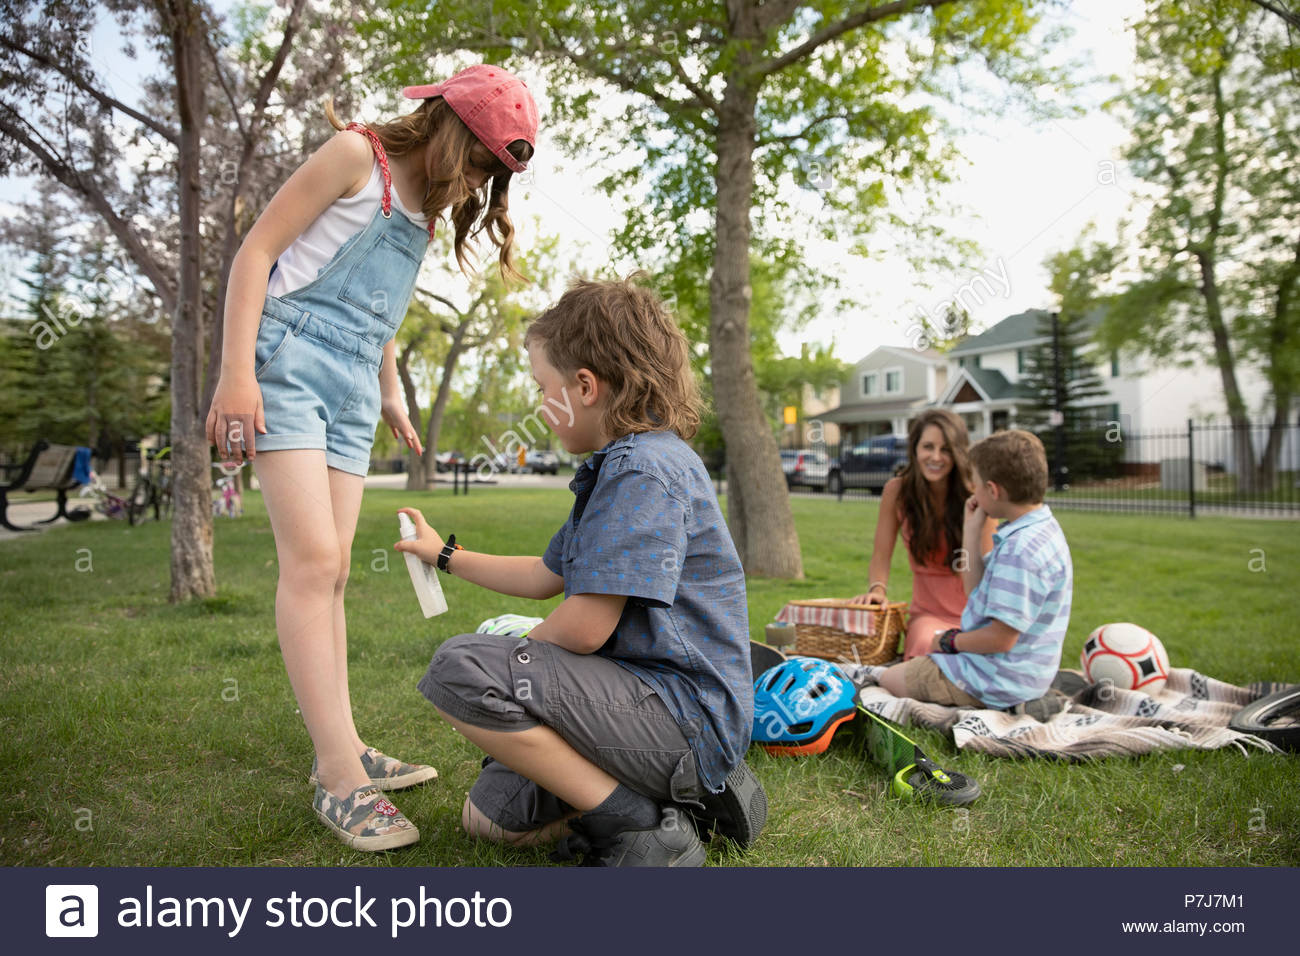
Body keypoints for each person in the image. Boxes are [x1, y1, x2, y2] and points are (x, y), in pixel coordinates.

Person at [204, 65, 539, 851]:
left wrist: (391, 390)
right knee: (312, 563)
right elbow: (256, 253)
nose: (481, 184)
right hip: (285, 360)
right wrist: (235, 374)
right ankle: (337, 777)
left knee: (338, 569)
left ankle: (346, 744)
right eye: (483, 163)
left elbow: (381, 313)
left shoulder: (422, 212)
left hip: (355, 381)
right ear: (454, 132)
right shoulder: (358, 156)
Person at [396, 276, 763, 867]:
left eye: (545, 388)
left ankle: (642, 827)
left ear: (585, 388)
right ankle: (676, 804)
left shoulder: (645, 472)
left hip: (681, 714)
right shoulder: (617, 469)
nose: (541, 406)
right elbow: (546, 576)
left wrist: (516, 675)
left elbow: (584, 627)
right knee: (490, 821)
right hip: (638, 703)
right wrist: (445, 555)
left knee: (459, 668)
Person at [877, 429, 1074, 713]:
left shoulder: (1019, 551)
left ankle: (1010, 706)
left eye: (977, 484)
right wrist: (971, 531)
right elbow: (975, 590)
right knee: (914, 667)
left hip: (993, 678)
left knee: (888, 679)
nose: (974, 491)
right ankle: (1021, 702)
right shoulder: (1040, 530)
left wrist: (947, 641)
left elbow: (1000, 639)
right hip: (1023, 675)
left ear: (993, 490)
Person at [850, 410, 995, 659]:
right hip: (927, 613)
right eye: (928, 446)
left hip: (973, 610)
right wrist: (877, 590)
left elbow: (987, 565)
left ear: (958, 452)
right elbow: (881, 555)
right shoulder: (897, 492)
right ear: (915, 449)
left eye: (946, 449)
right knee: (926, 649)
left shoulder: (976, 494)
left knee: (974, 657)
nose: (936, 457)